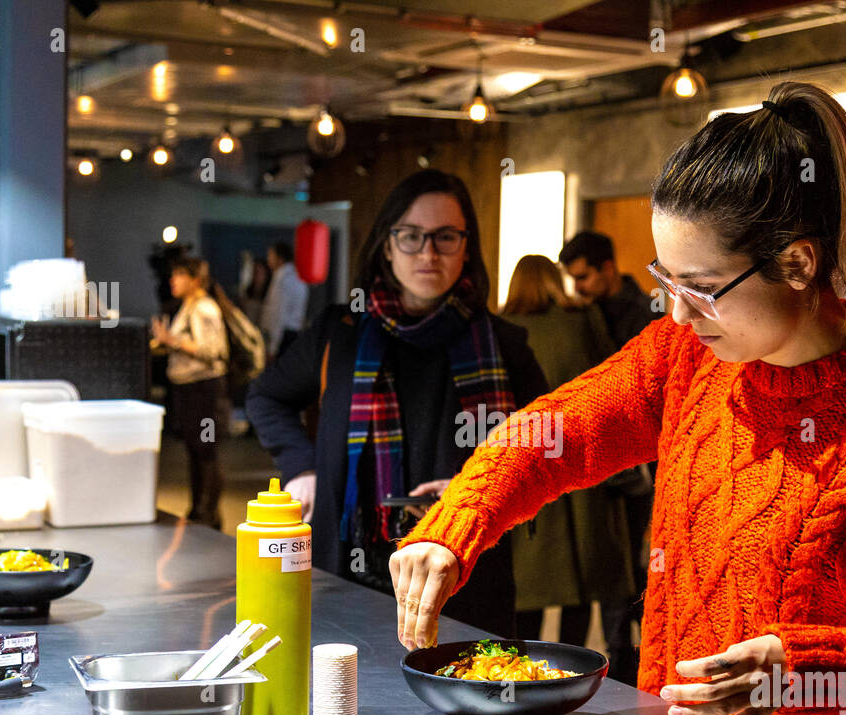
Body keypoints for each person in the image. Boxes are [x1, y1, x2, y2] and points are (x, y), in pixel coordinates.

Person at [389, 82, 846, 715]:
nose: (680, 314)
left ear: (799, 264)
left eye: (702, 286)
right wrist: (458, 520)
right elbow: (553, 432)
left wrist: (807, 672)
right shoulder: (686, 357)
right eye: (667, 282)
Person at [246, 169, 549, 640]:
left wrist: (481, 492)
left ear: (466, 245)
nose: (428, 253)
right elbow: (266, 397)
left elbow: (547, 448)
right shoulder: (341, 333)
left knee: (463, 704)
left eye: (445, 236)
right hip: (348, 575)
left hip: (465, 584)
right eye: (411, 236)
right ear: (387, 245)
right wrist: (302, 467)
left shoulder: (504, 345)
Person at [500, 254, 637, 677]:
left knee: (530, 583)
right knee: (580, 579)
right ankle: (574, 667)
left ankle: (520, 671)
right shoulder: (583, 318)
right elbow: (609, 379)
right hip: (581, 460)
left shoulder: (504, 328)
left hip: (527, 461)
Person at [559, 229, 658, 681]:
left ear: (608, 270)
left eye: (583, 277)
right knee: (605, 557)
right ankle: (603, 659)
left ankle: (627, 660)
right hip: (600, 457)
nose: (576, 287)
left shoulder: (646, 316)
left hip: (643, 461)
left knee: (631, 562)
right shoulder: (583, 314)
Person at [151, 257, 229, 530]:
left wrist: (171, 340)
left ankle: (209, 515)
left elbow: (212, 350)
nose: (173, 280)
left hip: (204, 391)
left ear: (195, 280)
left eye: (180, 275)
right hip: (190, 390)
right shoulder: (188, 306)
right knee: (195, 450)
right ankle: (198, 511)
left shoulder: (204, 308)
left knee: (206, 451)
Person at [261, 240, 309, 360]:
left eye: (271, 256)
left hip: (283, 337)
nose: (268, 260)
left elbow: (278, 313)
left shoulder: (282, 278)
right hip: (294, 334)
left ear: (280, 258)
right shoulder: (299, 276)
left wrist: (273, 348)